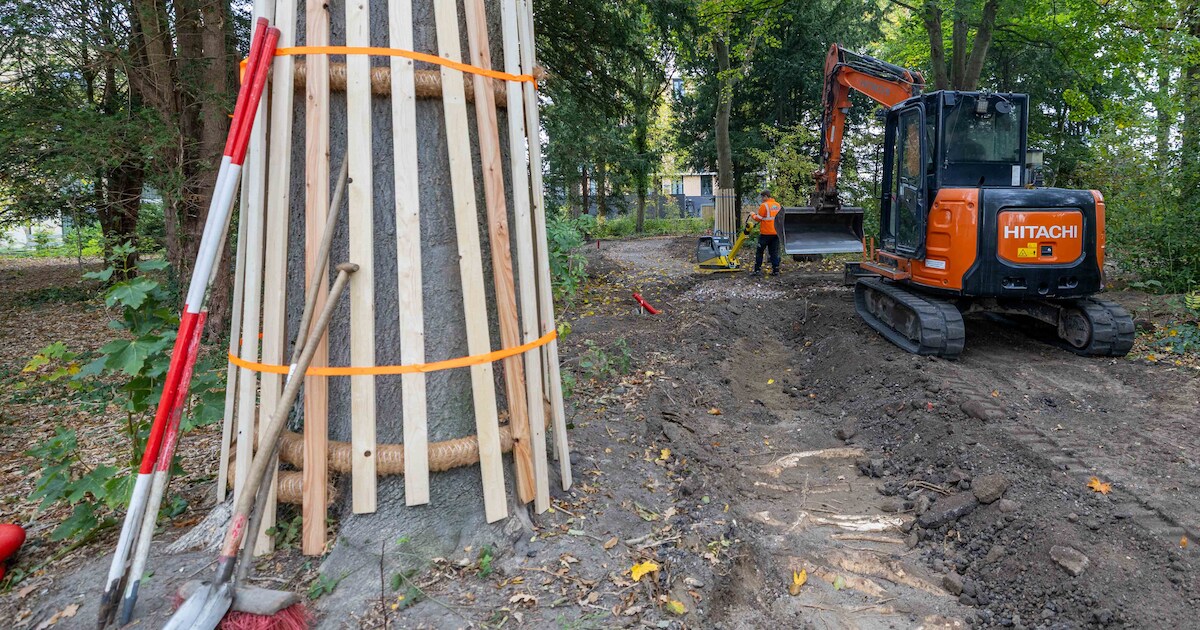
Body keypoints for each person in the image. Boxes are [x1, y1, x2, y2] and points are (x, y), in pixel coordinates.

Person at [751, 190, 781, 276]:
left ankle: (757, 270)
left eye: (762, 197)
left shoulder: (764, 205)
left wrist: (753, 214)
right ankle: (776, 270)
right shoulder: (777, 205)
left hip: (766, 233)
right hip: (776, 233)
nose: (762, 199)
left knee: (760, 251)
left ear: (765, 196)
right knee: (774, 252)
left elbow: (758, 218)